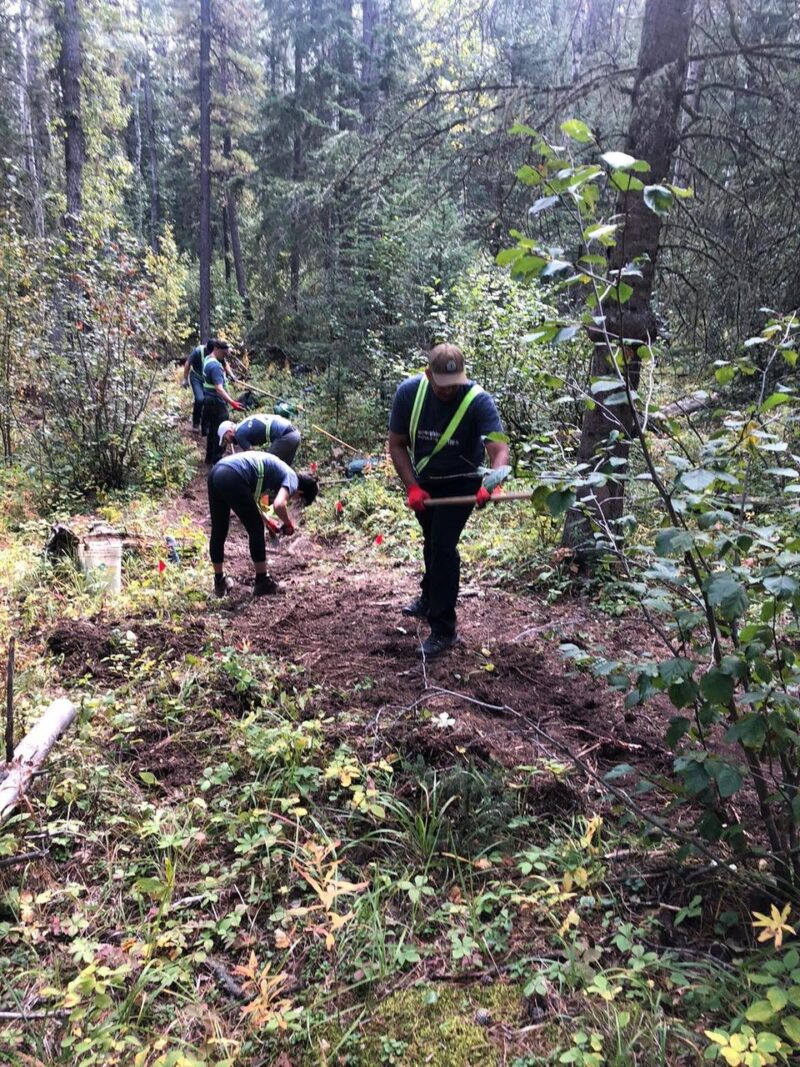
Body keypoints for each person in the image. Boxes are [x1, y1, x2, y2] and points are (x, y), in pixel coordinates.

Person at [388, 343, 509, 658]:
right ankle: (429, 595)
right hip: (426, 481)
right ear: (428, 374)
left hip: (462, 484)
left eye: (454, 385)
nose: (448, 391)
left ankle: (443, 629)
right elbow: (398, 444)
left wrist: (493, 482)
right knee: (431, 540)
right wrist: (412, 486)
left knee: (443, 546)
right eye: (442, 385)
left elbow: (499, 449)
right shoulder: (408, 394)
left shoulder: (477, 401)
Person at [207, 451, 319, 597]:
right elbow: (279, 505)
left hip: (218, 471)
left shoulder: (280, 471)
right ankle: (262, 581)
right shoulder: (292, 479)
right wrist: (288, 524)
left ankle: (219, 581)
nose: (293, 499)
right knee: (256, 528)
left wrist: (268, 521)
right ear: (301, 492)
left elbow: (250, 501)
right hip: (232, 475)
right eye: (298, 498)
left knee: (219, 529)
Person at [202, 338, 244, 466]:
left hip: (208, 400)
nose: (225, 356)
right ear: (216, 349)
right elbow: (219, 389)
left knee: (213, 431)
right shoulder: (215, 367)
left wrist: (232, 376)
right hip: (217, 402)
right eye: (224, 353)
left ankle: (209, 458)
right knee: (222, 431)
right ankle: (217, 460)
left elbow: (224, 363)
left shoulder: (209, 358)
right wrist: (232, 403)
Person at [217, 412, 302, 464]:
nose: (228, 442)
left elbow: (253, 455)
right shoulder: (244, 424)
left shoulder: (239, 435)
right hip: (294, 434)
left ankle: (266, 491)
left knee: (267, 464)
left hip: (285, 437)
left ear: (229, 431)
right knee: (284, 467)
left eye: (226, 439)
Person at [182, 341, 208, 433]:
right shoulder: (197, 351)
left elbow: (224, 364)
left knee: (208, 400)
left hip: (207, 379)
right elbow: (188, 363)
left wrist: (232, 375)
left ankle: (205, 425)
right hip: (196, 377)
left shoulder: (215, 352)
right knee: (200, 399)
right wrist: (185, 379)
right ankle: (196, 423)